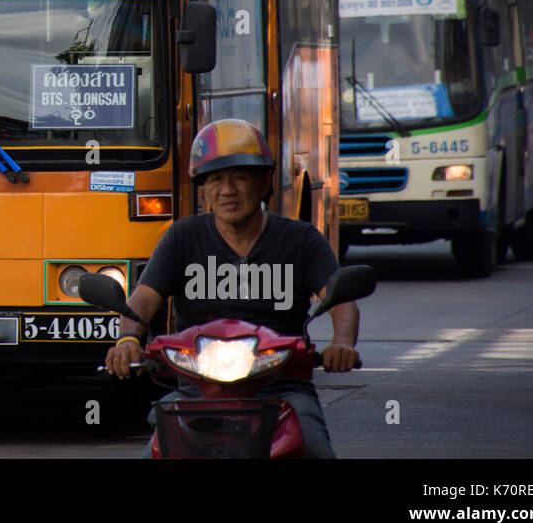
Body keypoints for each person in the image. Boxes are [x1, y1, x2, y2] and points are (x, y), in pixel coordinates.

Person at [103, 118, 361, 458]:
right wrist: (127, 340)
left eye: (240, 177)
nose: (227, 190)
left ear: (264, 181)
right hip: (196, 388)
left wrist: (341, 344)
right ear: (203, 188)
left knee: (313, 447)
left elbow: (340, 300)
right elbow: (144, 299)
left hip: (281, 387)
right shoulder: (183, 236)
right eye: (215, 179)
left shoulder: (300, 239)